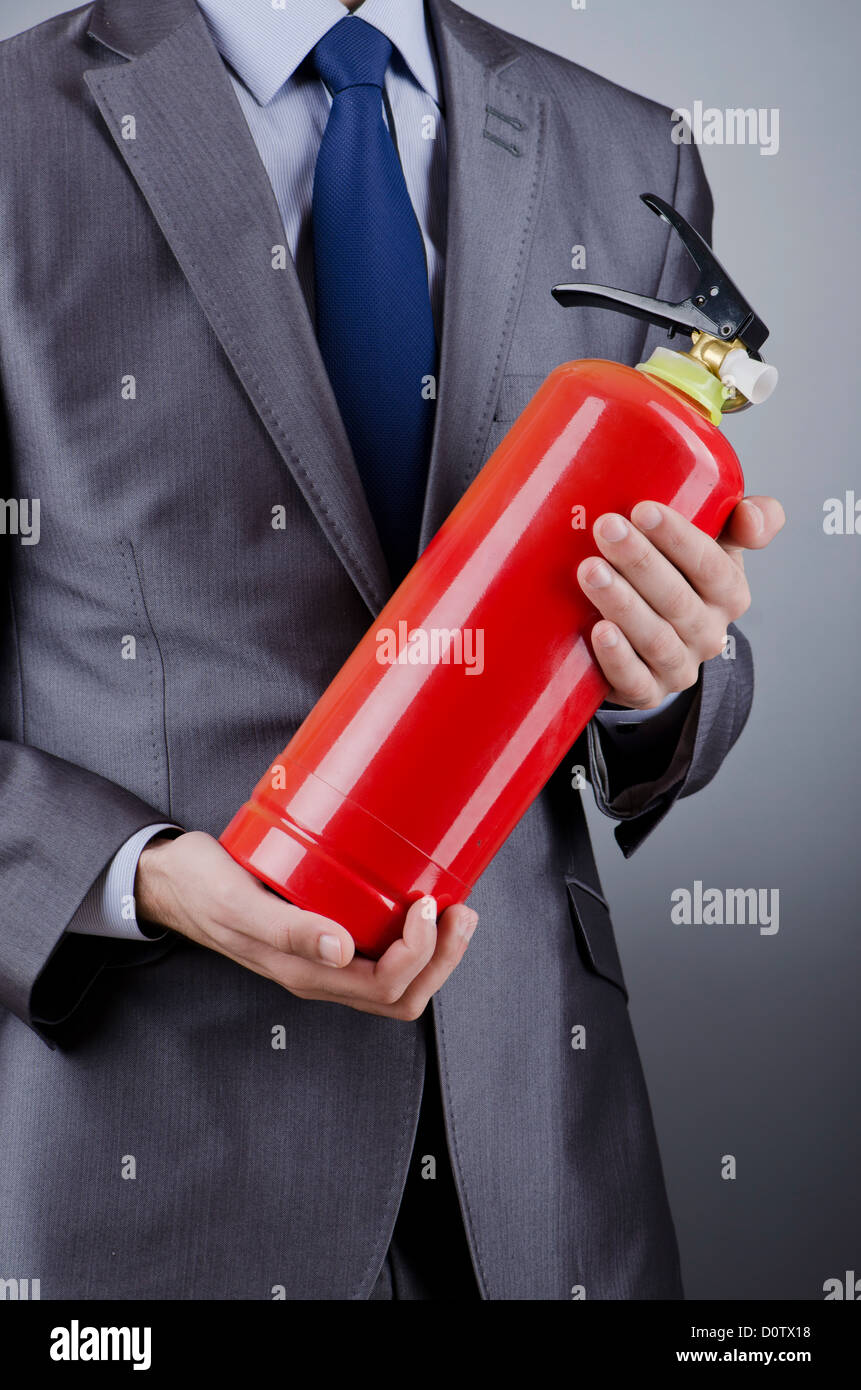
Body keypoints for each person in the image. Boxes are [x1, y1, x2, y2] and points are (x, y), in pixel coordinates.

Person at [0, 0, 784, 1300]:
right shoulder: (19, 132)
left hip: (539, 1147)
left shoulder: (626, 145)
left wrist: (665, 669)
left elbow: (678, 667)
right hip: (146, 1138)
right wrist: (141, 879)